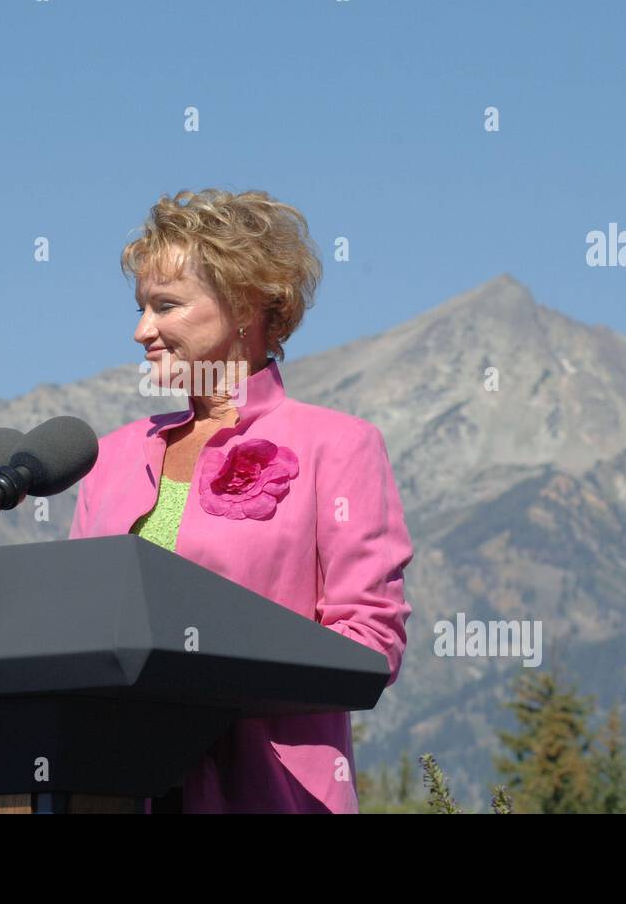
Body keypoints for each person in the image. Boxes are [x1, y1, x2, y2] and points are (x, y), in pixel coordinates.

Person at [68, 188, 414, 813]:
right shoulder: (108, 459)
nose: (141, 330)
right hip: (115, 791)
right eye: (142, 307)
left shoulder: (340, 446)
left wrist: (206, 678)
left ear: (246, 304)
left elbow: (369, 643)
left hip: (270, 792)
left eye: (166, 306)